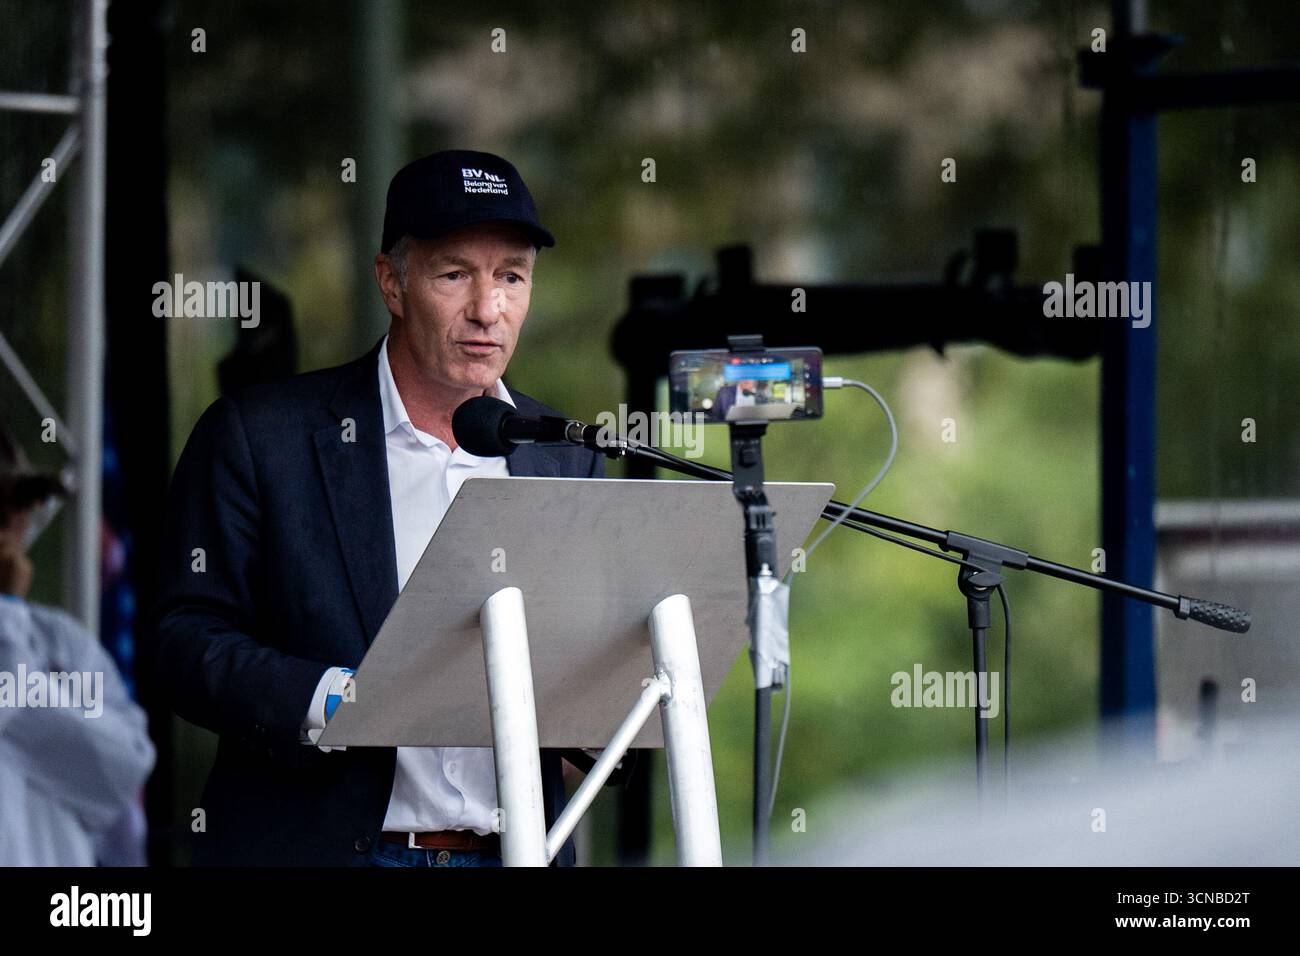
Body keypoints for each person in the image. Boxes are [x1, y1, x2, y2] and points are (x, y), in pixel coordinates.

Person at [155, 149, 622, 867]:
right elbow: (181, 640)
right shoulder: (261, 436)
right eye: (454, 274)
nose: (487, 310)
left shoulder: (563, 452)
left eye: (511, 278)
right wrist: (334, 699)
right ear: (392, 283)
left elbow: (588, 665)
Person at [0, 425, 155, 866]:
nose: (13, 523)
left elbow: (121, 770)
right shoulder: (19, 628)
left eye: (20, 503)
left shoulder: (61, 639)